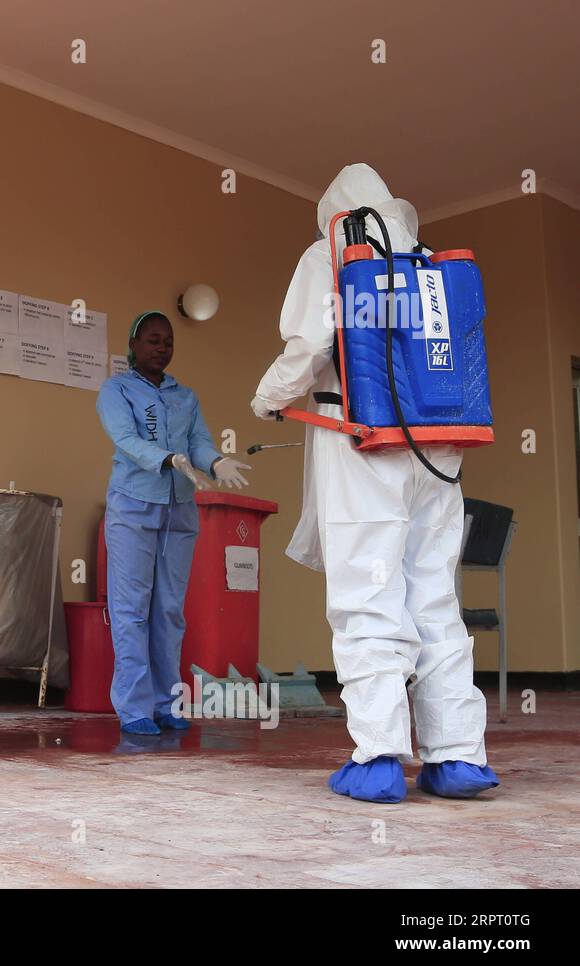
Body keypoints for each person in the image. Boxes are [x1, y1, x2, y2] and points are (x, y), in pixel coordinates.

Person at [251, 163, 499, 803]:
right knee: (434, 596)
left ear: (333, 211)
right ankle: (457, 757)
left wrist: (269, 395)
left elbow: (309, 344)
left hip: (361, 441)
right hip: (438, 446)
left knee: (367, 592)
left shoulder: (331, 252)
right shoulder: (427, 269)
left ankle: (380, 758)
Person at [96, 311, 251, 735]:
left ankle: (168, 702)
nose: (161, 347)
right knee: (131, 611)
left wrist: (216, 460)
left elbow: (197, 441)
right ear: (134, 343)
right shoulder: (116, 389)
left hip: (179, 510)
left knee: (168, 610)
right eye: (152, 340)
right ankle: (134, 707)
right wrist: (166, 458)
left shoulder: (187, 396)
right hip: (133, 507)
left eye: (167, 341)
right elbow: (126, 440)